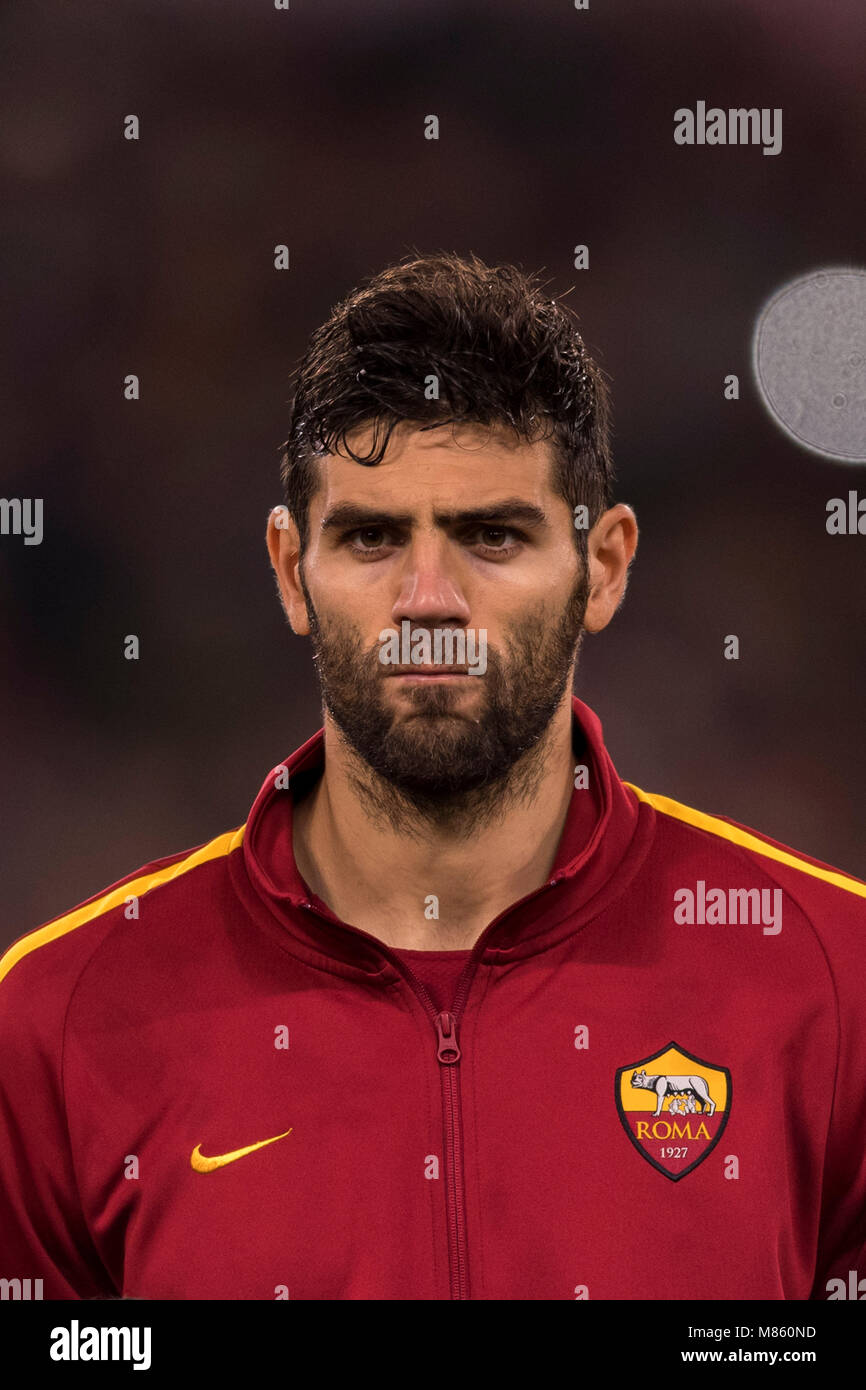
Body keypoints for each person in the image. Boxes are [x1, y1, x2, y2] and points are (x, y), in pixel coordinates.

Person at [1, 254, 863, 1301]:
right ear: (289, 571)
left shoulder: (830, 983)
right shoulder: (59, 1024)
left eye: (490, 535)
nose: (428, 601)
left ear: (603, 567)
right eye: (370, 537)